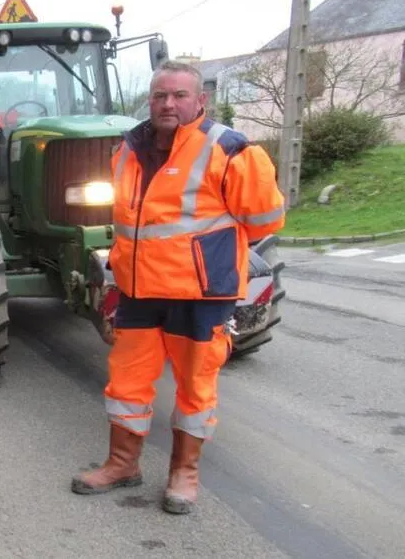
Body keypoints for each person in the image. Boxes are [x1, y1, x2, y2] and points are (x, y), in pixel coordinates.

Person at [70, 61, 286, 514]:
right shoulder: (128, 150)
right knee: (126, 383)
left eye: (179, 95)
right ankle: (122, 464)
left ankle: (183, 475)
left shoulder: (231, 149)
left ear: (200, 100)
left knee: (194, 386)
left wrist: (213, 255)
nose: (168, 103)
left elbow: (265, 219)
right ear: (149, 101)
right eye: (159, 95)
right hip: (139, 292)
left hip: (200, 296)